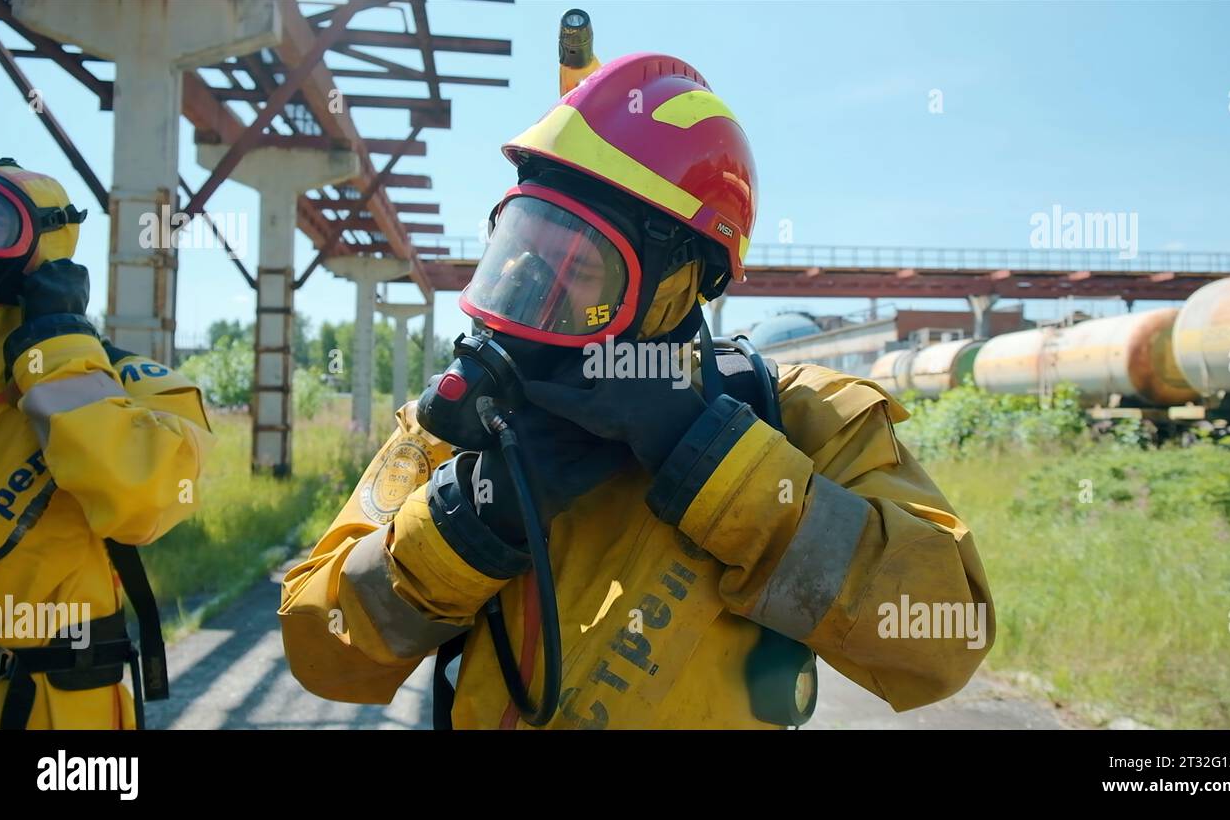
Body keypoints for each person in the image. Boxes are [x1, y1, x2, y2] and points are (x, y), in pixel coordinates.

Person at [280, 53, 994, 729]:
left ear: (682, 277)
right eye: (520, 250)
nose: (532, 290)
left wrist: (718, 464)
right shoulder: (461, 434)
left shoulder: (805, 417)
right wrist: (471, 519)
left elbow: (945, 635)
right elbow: (320, 647)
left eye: (577, 263)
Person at [0, 158, 215, 729]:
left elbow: (143, 500)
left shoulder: (131, 383)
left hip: (54, 712)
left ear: (44, 251)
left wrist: (57, 355)